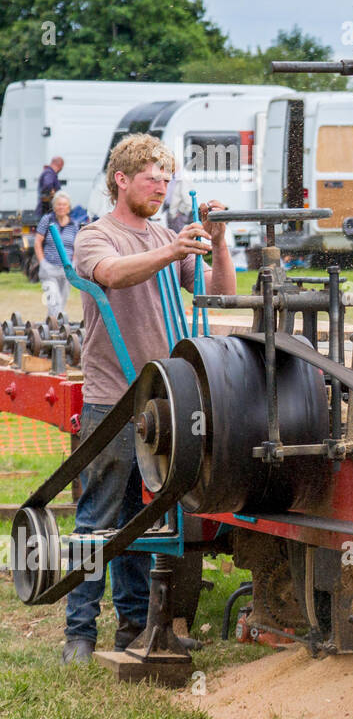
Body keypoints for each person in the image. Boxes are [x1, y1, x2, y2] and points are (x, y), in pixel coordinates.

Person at [61, 134, 235, 665]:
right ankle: (79, 634)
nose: (160, 186)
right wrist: (173, 248)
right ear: (121, 179)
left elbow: (220, 293)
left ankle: (135, 628)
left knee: (146, 518)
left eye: (165, 178)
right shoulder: (97, 234)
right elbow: (111, 275)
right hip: (113, 399)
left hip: (163, 402)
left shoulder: (164, 234)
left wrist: (219, 240)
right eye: (150, 178)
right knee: (96, 521)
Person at [34, 192, 79, 319]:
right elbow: (38, 242)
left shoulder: (74, 225)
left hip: (66, 270)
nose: (61, 207)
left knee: (61, 302)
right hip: (49, 269)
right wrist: (42, 262)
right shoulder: (47, 220)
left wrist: (74, 264)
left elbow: (76, 247)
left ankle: (51, 327)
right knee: (54, 299)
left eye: (64, 205)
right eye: (59, 204)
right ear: (54, 206)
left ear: (68, 207)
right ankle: (60, 324)